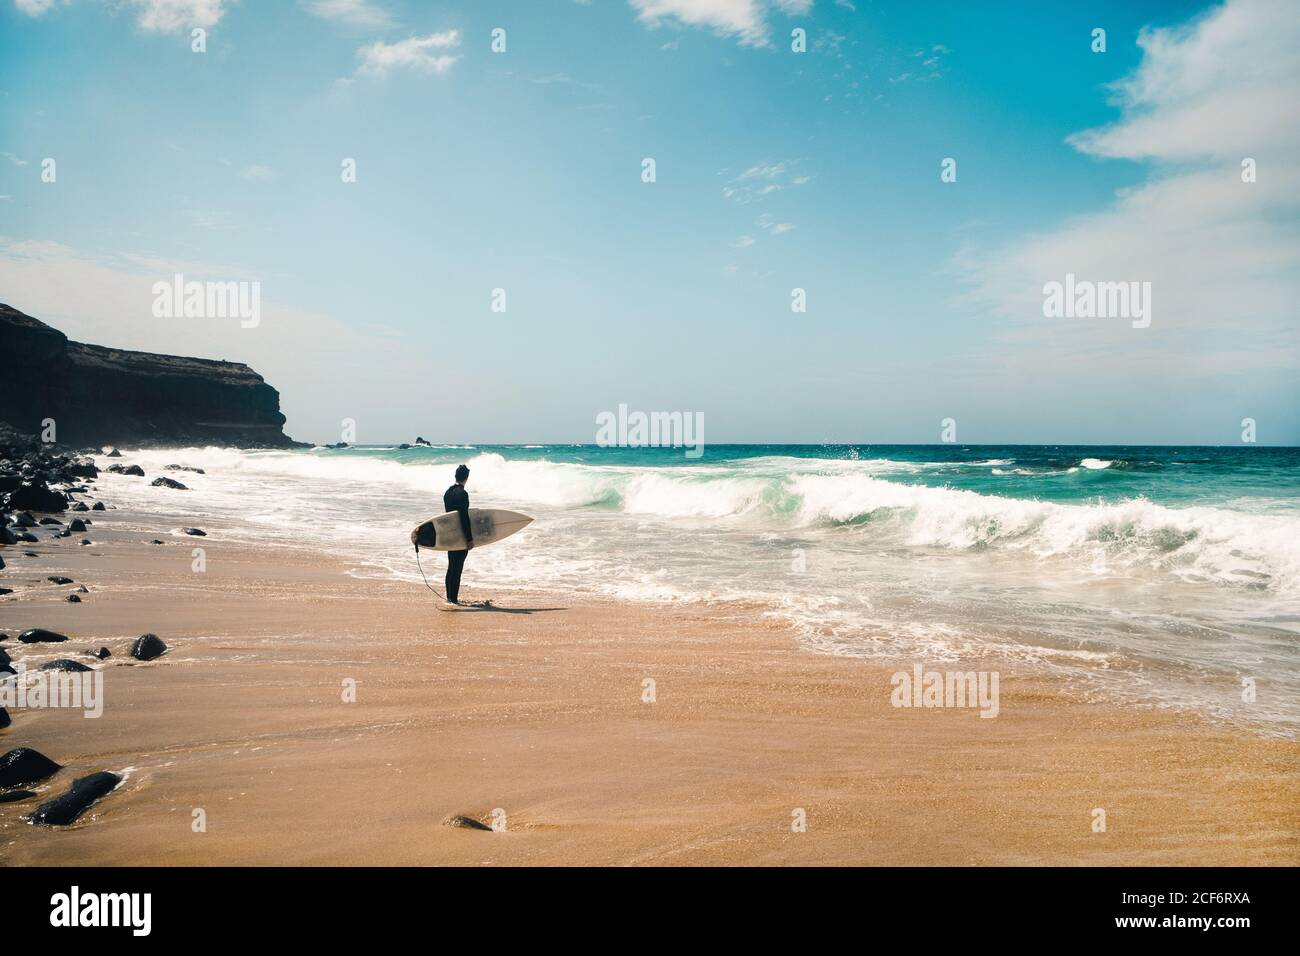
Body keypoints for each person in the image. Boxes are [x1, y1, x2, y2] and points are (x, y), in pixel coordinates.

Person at [443, 464, 474, 604]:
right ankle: (454, 599)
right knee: (458, 568)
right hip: (460, 536)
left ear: (456, 476)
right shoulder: (463, 494)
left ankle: (449, 596)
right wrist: (469, 539)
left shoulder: (447, 493)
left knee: (451, 566)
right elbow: (464, 518)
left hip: (450, 535)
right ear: (466, 478)